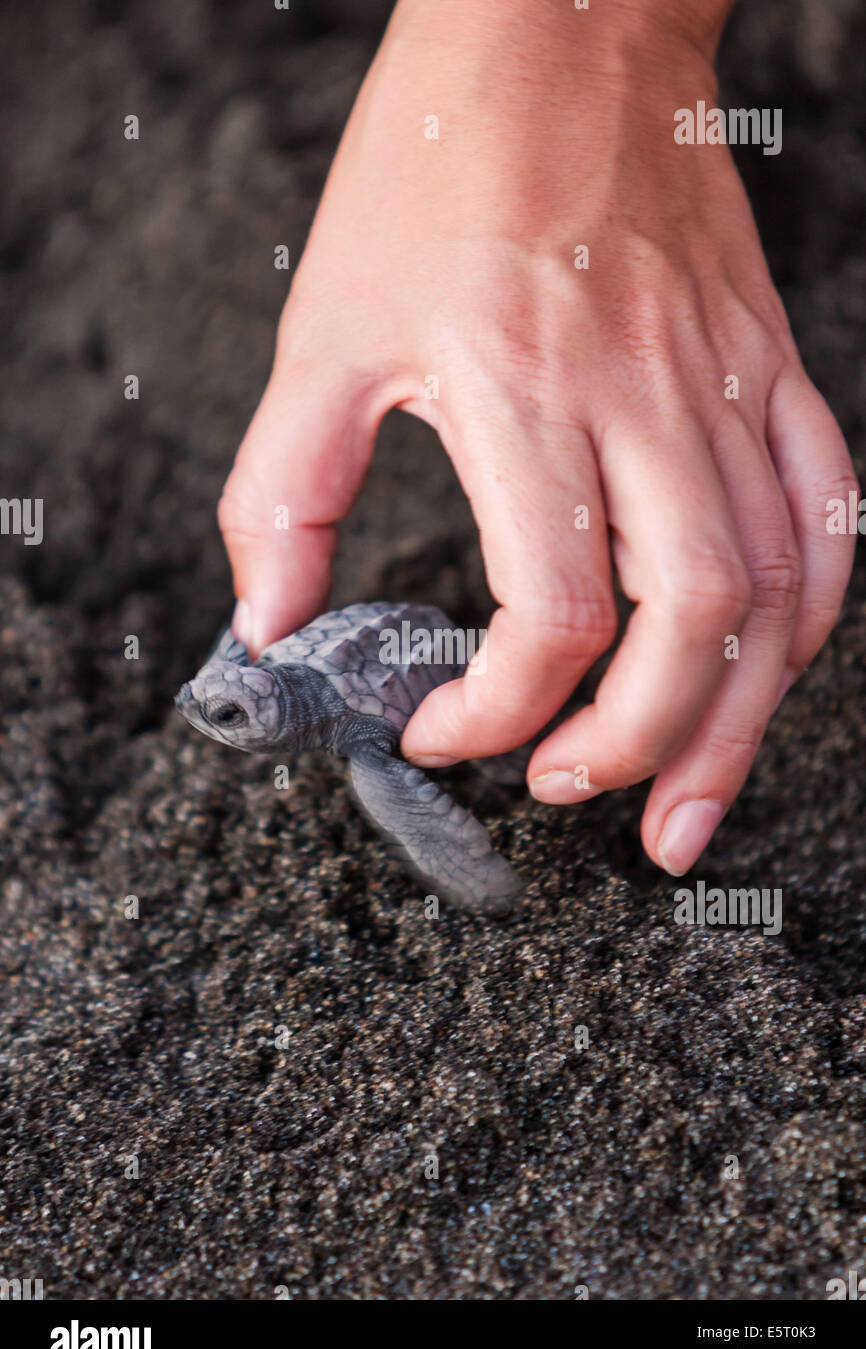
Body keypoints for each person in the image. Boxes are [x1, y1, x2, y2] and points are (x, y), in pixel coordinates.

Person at [216, 0, 856, 877]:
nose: (213, 724)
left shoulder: (354, 735)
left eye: (227, 718)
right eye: (220, 712)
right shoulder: (279, 685)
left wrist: (595, 33)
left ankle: (513, 754)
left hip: (418, 662)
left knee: (411, 771)